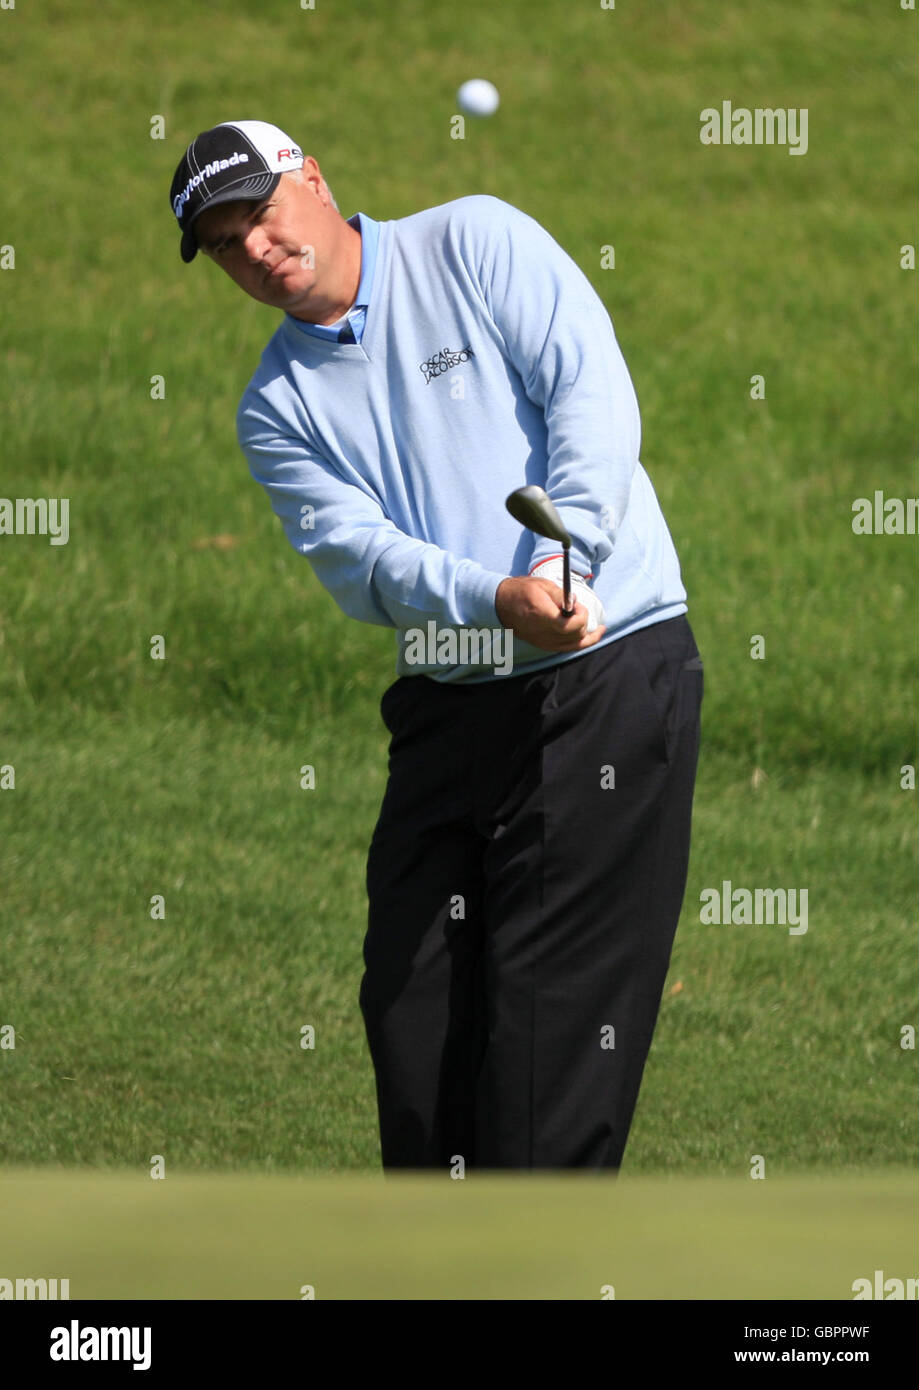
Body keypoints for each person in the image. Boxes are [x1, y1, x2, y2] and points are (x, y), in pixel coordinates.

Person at [169, 119, 704, 1171]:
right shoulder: (274, 409)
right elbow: (363, 565)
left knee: (544, 1059)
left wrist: (569, 563)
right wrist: (493, 597)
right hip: (449, 711)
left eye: (261, 216)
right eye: (227, 244)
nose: (257, 252)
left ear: (312, 178)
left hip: (605, 677)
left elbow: (587, 392)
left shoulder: (472, 242)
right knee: (414, 1028)